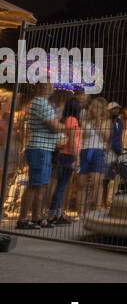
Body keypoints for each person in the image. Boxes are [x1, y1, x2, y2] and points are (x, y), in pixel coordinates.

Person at [16, 84, 60, 230]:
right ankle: (22, 219)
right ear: (39, 88)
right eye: (45, 85)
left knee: (41, 185)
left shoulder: (43, 103)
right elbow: (54, 126)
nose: (49, 88)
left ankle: (36, 218)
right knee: (34, 185)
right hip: (39, 148)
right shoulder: (40, 102)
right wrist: (67, 127)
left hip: (44, 148)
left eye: (50, 85)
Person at [47, 93, 82, 225]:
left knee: (61, 186)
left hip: (64, 155)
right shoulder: (73, 120)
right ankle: (54, 215)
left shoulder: (66, 119)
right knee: (61, 186)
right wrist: (77, 158)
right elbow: (72, 140)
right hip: (68, 156)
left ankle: (56, 214)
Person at [77, 97, 110, 217]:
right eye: (94, 106)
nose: (95, 109)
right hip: (85, 150)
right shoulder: (84, 119)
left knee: (96, 181)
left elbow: (106, 138)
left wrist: (98, 123)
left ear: (102, 110)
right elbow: (81, 135)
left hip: (98, 151)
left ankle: (94, 209)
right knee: (81, 183)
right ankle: (80, 212)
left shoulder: (106, 121)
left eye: (98, 107)